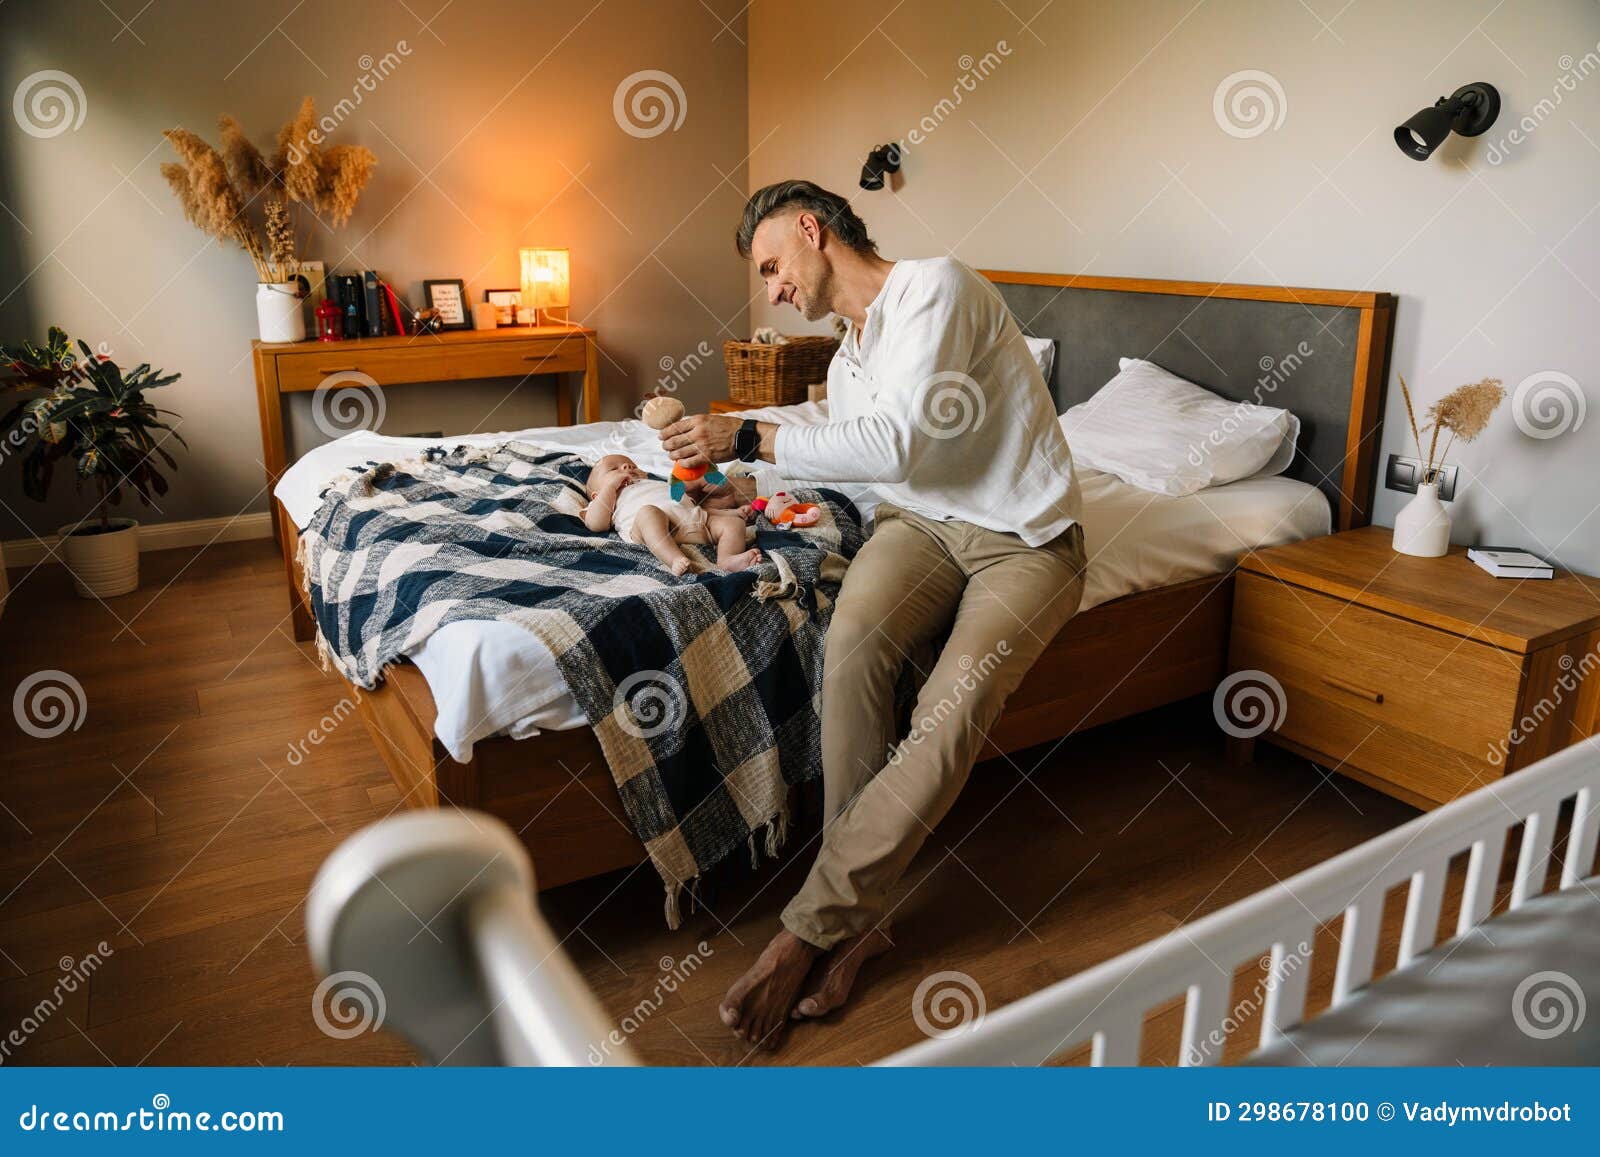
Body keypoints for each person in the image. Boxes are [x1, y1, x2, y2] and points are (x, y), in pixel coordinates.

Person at [659, 180, 1086, 1048]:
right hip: (923, 524)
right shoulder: (849, 353)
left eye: (773, 265)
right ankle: (861, 920)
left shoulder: (939, 287)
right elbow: (856, 456)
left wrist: (746, 432)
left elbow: (897, 441)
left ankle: (808, 932)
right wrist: (742, 479)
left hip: (1026, 539)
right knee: (849, 645)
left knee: (947, 713)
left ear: (812, 229)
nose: (773, 289)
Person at [582, 453, 761, 574]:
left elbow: (690, 507)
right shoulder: (604, 499)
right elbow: (596, 524)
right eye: (614, 469)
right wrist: (610, 488)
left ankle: (727, 559)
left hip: (696, 523)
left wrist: (731, 513)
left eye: (631, 465)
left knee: (734, 524)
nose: (626, 466)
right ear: (595, 495)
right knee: (648, 512)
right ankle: (674, 559)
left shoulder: (656, 484)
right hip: (650, 530)